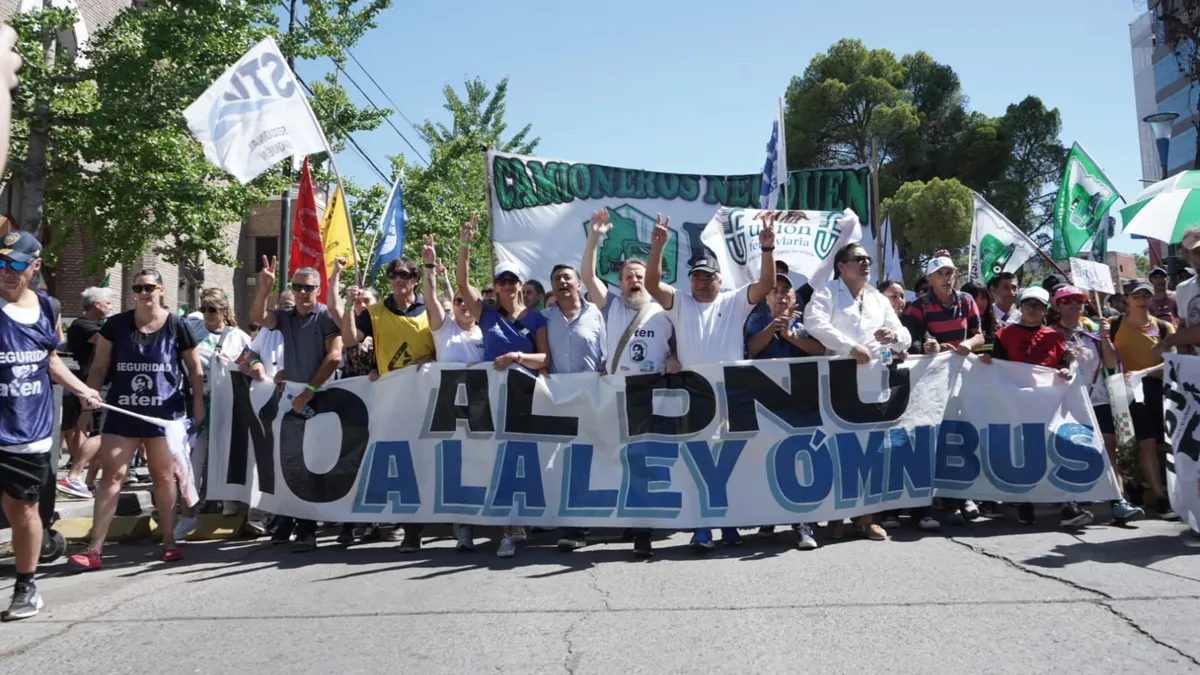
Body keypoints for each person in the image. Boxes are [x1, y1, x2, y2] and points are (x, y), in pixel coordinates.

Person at [645, 211, 776, 551]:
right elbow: (651, 285)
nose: (701, 282)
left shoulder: (734, 301)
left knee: (730, 462)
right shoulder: (680, 303)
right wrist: (657, 247)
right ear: (689, 281)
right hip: (694, 395)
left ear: (720, 280)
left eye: (708, 277)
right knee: (699, 462)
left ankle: (728, 524)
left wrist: (767, 248)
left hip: (732, 393)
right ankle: (702, 527)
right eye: (696, 277)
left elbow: (766, 285)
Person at [69, 270, 205, 569]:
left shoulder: (177, 325)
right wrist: (87, 407)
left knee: (163, 476)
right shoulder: (115, 325)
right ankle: (94, 549)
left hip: (164, 414)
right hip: (123, 412)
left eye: (149, 287)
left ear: (161, 289)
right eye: (138, 288)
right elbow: (99, 367)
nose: (144, 293)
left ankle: (169, 541)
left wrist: (198, 406)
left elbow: (195, 369)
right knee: (112, 475)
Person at [0, 231, 101, 620]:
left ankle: (26, 586)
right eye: (2, 263)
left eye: (17, 264)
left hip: (28, 428)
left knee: (24, 508)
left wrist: (82, 389)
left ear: (35, 266)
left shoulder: (48, 306)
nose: (8, 271)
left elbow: (50, 358)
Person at [581, 209, 679, 557]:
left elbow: (680, 346)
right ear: (620, 282)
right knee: (622, 458)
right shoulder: (611, 306)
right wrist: (595, 237)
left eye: (639, 275)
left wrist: (674, 357)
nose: (634, 280)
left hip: (655, 395)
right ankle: (633, 519)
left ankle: (643, 530)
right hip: (618, 395)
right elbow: (587, 275)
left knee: (646, 459)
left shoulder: (666, 308)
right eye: (627, 276)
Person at [456, 214, 549, 557]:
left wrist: (515, 357)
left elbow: (545, 358)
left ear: (521, 283)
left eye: (512, 280)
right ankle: (486, 526)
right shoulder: (487, 315)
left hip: (524, 398)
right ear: (495, 286)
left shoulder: (537, 318)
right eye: (502, 281)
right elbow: (462, 282)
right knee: (487, 460)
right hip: (490, 399)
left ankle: (512, 528)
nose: (508, 285)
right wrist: (465, 244)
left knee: (518, 462)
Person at [805, 242, 911, 542]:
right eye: (859, 259)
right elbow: (814, 322)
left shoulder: (877, 298)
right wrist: (849, 347)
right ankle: (836, 516)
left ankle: (866, 518)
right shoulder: (827, 292)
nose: (866, 263)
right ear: (842, 266)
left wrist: (893, 336)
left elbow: (904, 335)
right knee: (838, 449)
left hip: (873, 382)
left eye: (867, 259)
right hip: (837, 380)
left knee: (870, 450)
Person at [247, 259, 343, 552]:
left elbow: (335, 356)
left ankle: (307, 529)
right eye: (297, 287)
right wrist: (264, 287)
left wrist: (309, 391)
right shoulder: (287, 317)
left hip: (320, 395)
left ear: (317, 290)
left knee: (312, 462)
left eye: (308, 288)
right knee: (288, 461)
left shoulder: (325, 316)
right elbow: (257, 317)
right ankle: (288, 519)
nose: (302, 292)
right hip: (291, 396)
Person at [984, 287, 1092, 527]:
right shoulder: (1004, 334)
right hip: (1016, 404)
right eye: (1028, 304)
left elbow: (1064, 363)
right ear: (1021, 307)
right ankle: (1025, 505)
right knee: (1023, 455)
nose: (1032, 309)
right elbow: (998, 367)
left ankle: (1068, 506)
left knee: (1055, 452)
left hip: (1048, 405)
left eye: (1038, 305)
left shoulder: (1055, 337)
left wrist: (1065, 370)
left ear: (1045, 310)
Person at [745, 272, 824, 550]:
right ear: (767, 299)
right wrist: (774, 328)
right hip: (765, 405)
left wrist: (790, 335)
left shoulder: (806, 322)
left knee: (800, 463)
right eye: (775, 291)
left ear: (794, 299)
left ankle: (803, 523)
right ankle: (770, 517)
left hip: (800, 406)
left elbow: (819, 350)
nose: (780, 295)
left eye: (785, 291)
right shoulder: (756, 321)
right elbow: (752, 347)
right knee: (766, 460)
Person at [1051, 286, 1143, 523]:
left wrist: (1105, 338)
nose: (1074, 304)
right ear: (1057, 305)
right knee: (1070, 450)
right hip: (1065, 400)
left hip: (1097, 397)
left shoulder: (1093, 331)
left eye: (1079, 299)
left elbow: (1111, 362)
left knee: (1107, 447)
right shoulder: (1050, 333)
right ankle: (1070, 506)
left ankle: (1118, 501)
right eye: (1067, 300)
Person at [905, 255, 984, 524]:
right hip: (929, 381)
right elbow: (912, 339)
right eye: (940, 273)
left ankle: (961, 495)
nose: (946, 277)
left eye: (949, 272)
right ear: (929, 279)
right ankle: (923, 505)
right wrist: (931, 346)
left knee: (958, 435)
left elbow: (979, 334)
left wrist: (968, 344)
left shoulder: (966, 300)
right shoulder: (918, 306)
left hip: (960, 378)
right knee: (929, 439)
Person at [422, 235, 486, 551]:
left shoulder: (488, 331)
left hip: (483, 413)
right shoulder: (443, 328)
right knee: (458, 471)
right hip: (450, 414)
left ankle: (500, 526)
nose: (462, 305)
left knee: (483, 467)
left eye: (468, 300)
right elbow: (430, 297)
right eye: (458, 301)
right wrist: (428, 265)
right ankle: (463, 528)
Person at [174, 288, 253, 541]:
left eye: (213, 309)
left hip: (227, 404)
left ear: (223, 311)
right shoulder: (192, 331)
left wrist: (235, 362)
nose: (208, 314)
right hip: (197, 402)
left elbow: (251, 365)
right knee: (193, 461)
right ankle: (188, 513)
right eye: (204, 309)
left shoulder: (238, 337)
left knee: (227, 455)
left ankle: (230, 504)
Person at [1114, 281, 1176, 520]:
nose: (1142, 300)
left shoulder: (1163, 327)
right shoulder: (1113, 325)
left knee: (1159, 446)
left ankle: (1135, 485)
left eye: (1146, 295)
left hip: (1158, 389)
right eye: (1136, 296)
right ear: (1126, 299)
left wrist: (1146, 371)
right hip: (1128, 391)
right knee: (1147, 443)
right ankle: (1161, 499)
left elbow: (1173, 361)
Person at [57, 286, 112, 499]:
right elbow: (107, 341)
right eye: (108, 303)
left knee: (100, 435)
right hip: (89, 387)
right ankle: (73, 475)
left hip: (96, 387)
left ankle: (88, 482)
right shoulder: (82, 325)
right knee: (101, 434)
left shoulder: (95, 326)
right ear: (96, 304)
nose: (110, 307)